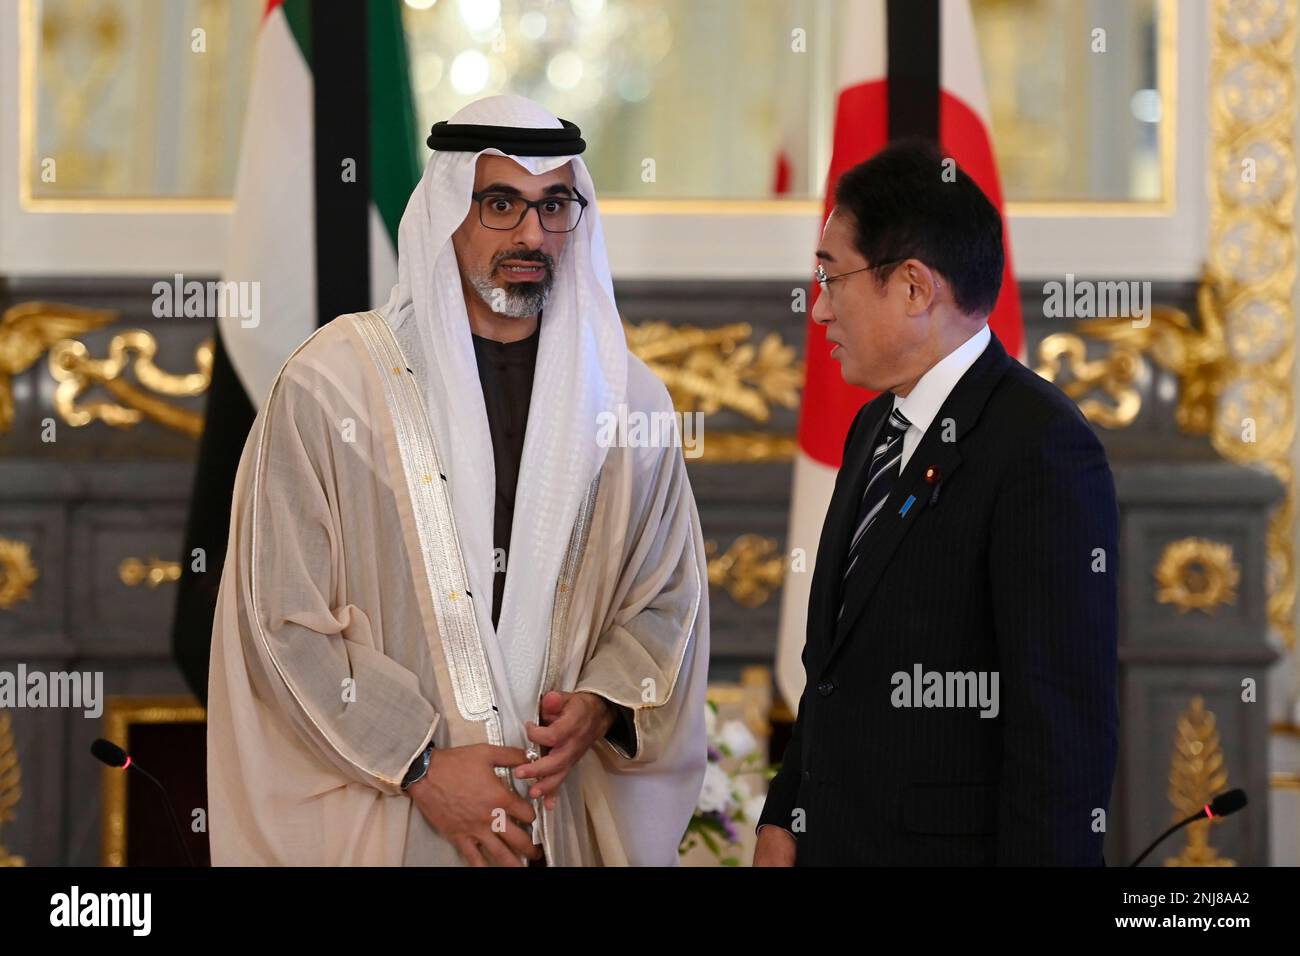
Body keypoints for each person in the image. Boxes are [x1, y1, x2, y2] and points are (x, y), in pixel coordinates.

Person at [206, 95, 708, 866]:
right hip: (398, 823)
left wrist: (604, 703)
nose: (532, 234)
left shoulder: (627, 403)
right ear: (447, 212)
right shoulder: (332, 388)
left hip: (558, 818)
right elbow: (278, 620)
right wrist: (421, 765)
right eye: (501, 204)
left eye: (555, 205)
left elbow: (666, 596)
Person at [755, 140, 1118, 866]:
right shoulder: (874, 425)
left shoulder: (1040, 447)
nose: (819, 309)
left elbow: (1060, 734)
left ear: (915, 288)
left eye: (832, 278)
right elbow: (830, 665)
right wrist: (786, 815)